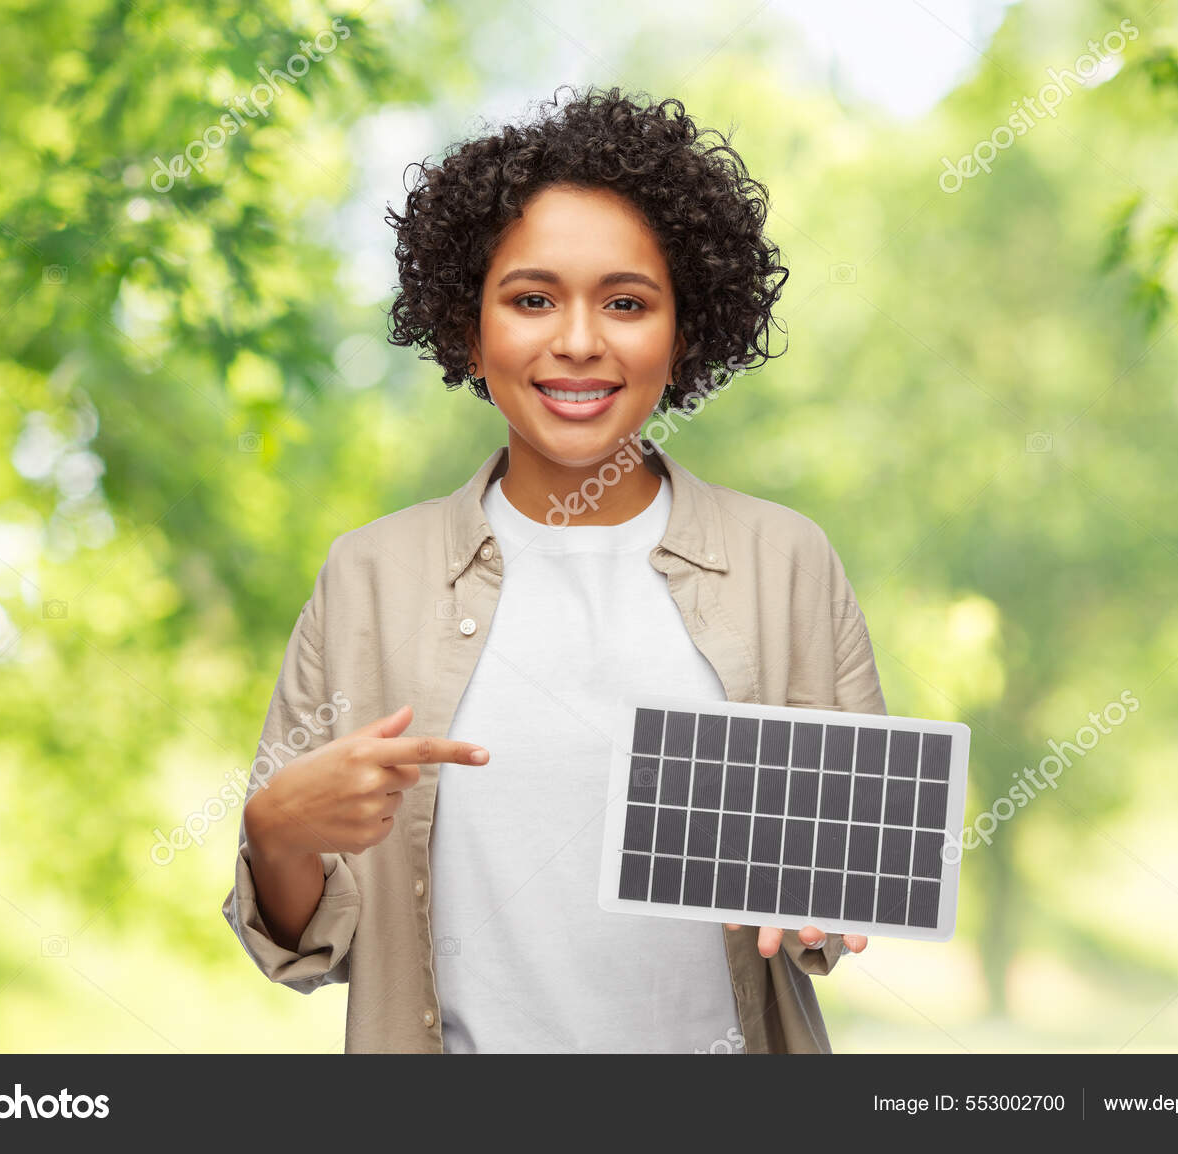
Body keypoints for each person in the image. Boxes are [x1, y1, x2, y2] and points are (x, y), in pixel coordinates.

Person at [223, 84, 886, 1053]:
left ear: (686, 327)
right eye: (531, 299)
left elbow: (847, 879)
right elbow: (310, 942)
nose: (578, 341)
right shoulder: (369, 574)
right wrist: (275, 830)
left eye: (626, 302)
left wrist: (830, 891)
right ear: (467, 324)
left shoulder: (784, 560)